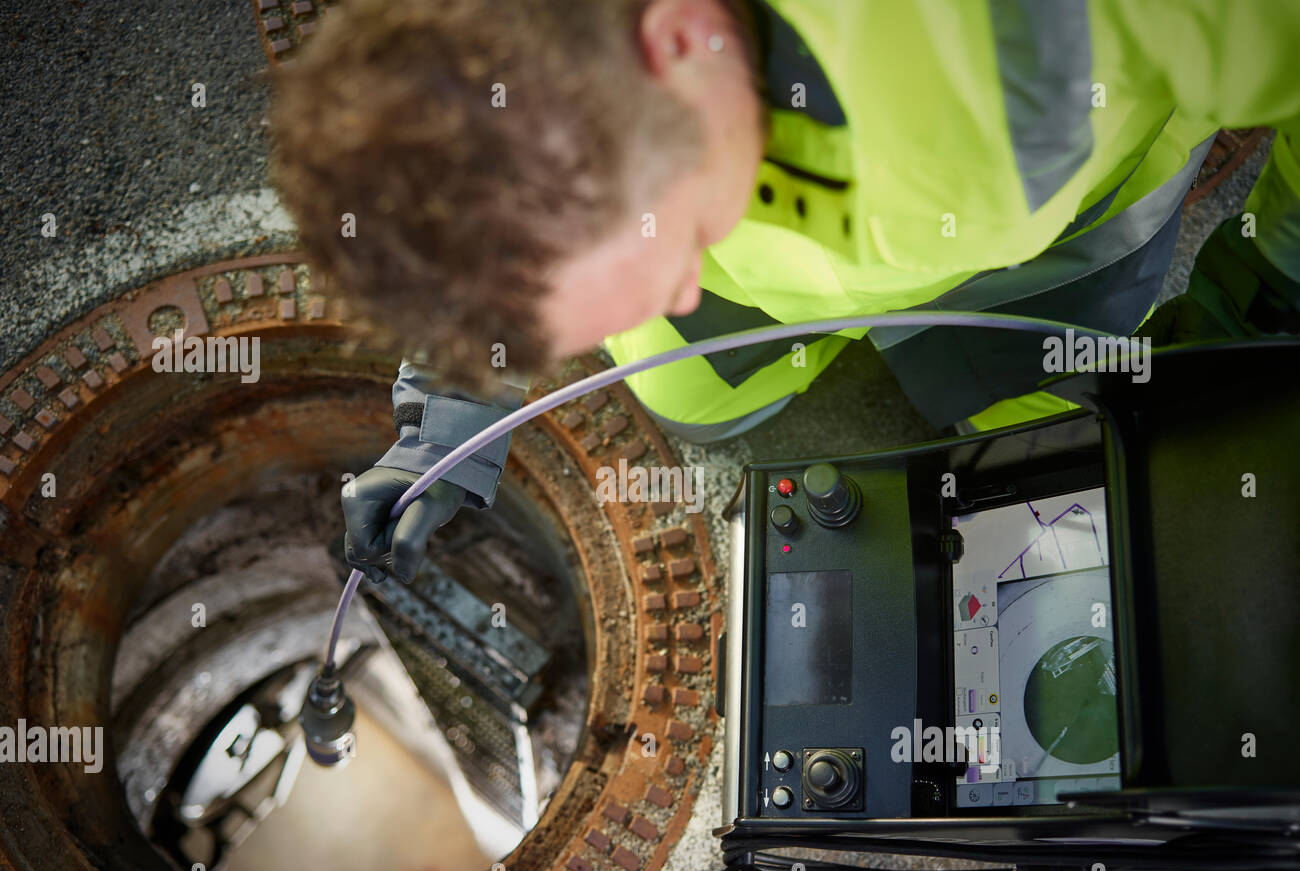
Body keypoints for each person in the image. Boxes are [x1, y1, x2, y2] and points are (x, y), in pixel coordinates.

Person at [271, 0, 1300, 584]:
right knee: (684, 389)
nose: (674, 291)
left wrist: (1252, 317)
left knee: (1061, 471)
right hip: (791, 253)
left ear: (676, 41)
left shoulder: (1068, 28)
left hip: (1047, 259)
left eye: (673, 243)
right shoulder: (557, 79)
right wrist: (447, 421)